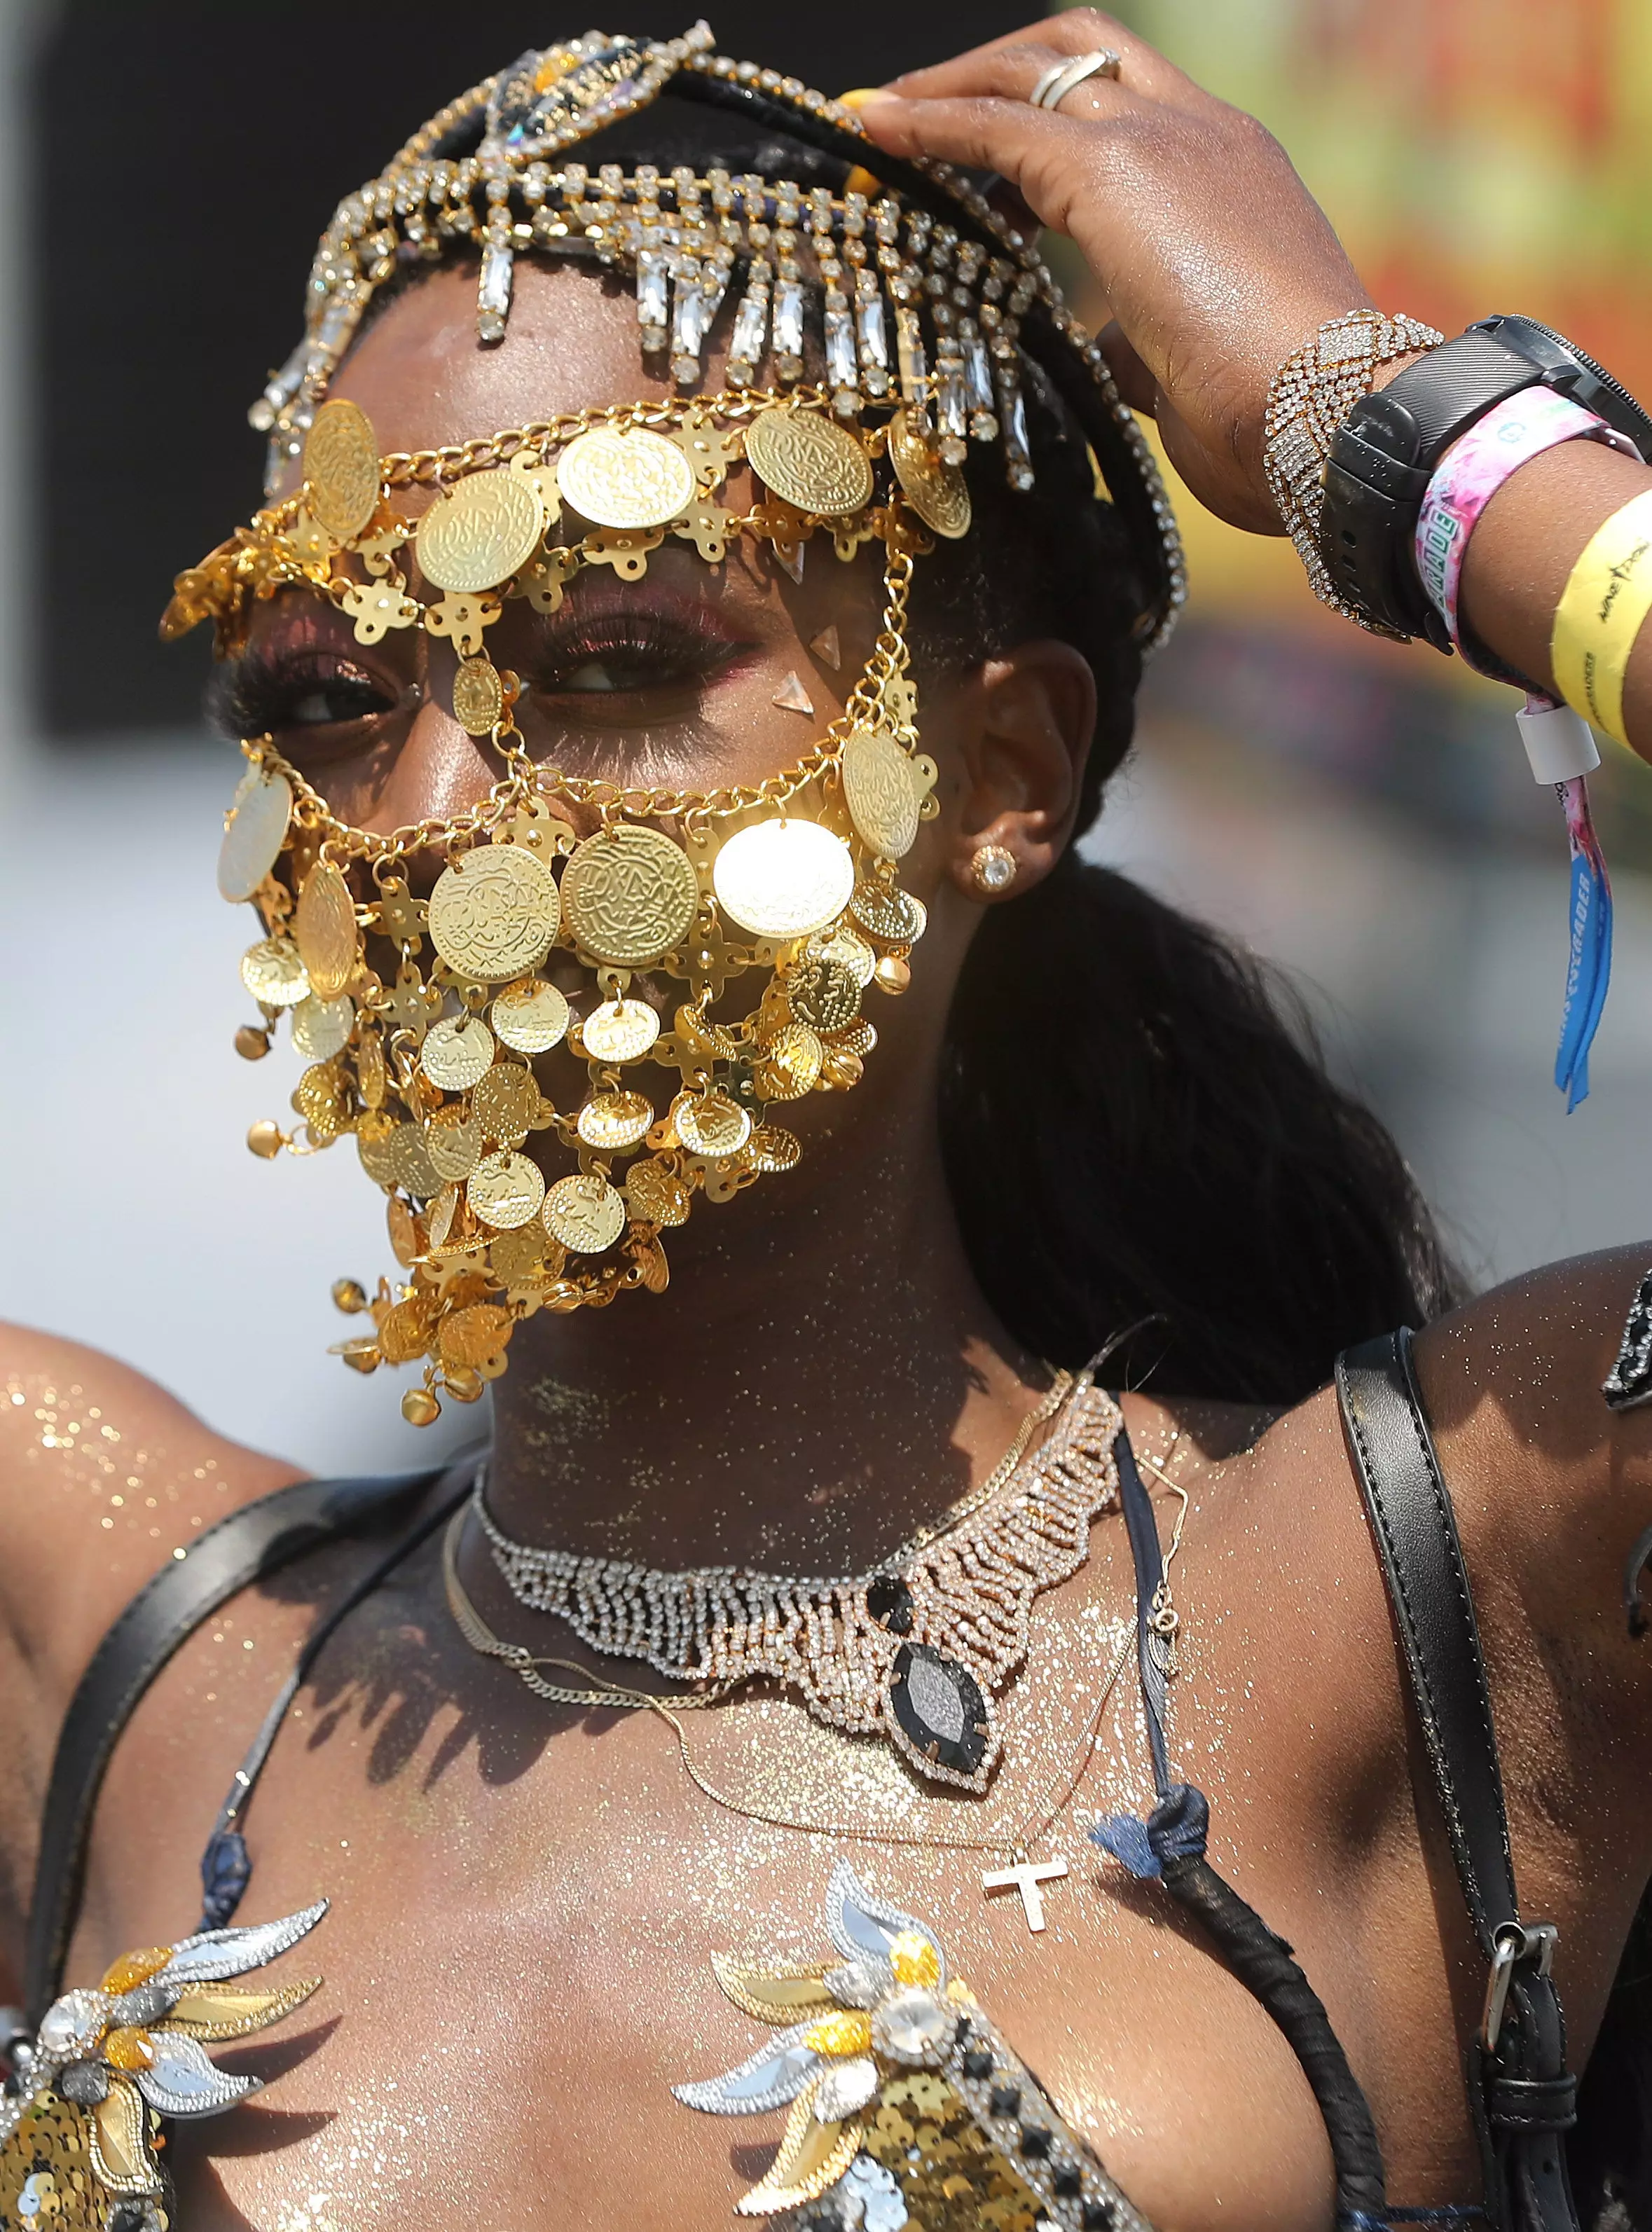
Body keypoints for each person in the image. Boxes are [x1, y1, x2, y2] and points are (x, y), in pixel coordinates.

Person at [1, 16, 1648, 2232]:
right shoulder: (111, 1629)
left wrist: (1383, 434)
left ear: (1008, 775)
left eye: (608, 661)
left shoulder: (1429, 1583)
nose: (427, 820)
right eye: (323, 704)